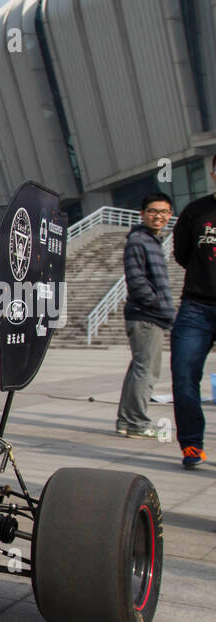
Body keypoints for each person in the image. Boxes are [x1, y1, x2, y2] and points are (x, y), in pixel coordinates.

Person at [116, 193, 175, 439]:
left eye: (163, 212)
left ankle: (126, 421)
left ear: (170, 215)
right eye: (153, 211)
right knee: (147, 371)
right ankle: (137, 423)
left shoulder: (151, 240)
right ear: (142, 214)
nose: (158, 216)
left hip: (148, 314)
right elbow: (136, 280)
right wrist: (156, 302)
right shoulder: (139, 240)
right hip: (146, 315)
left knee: (139, 368)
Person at [170, 156, 216, 469]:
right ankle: (192, 445)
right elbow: (183, 254)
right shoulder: (195, 211)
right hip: (196, 307)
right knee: (184, 375)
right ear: (213, 174)